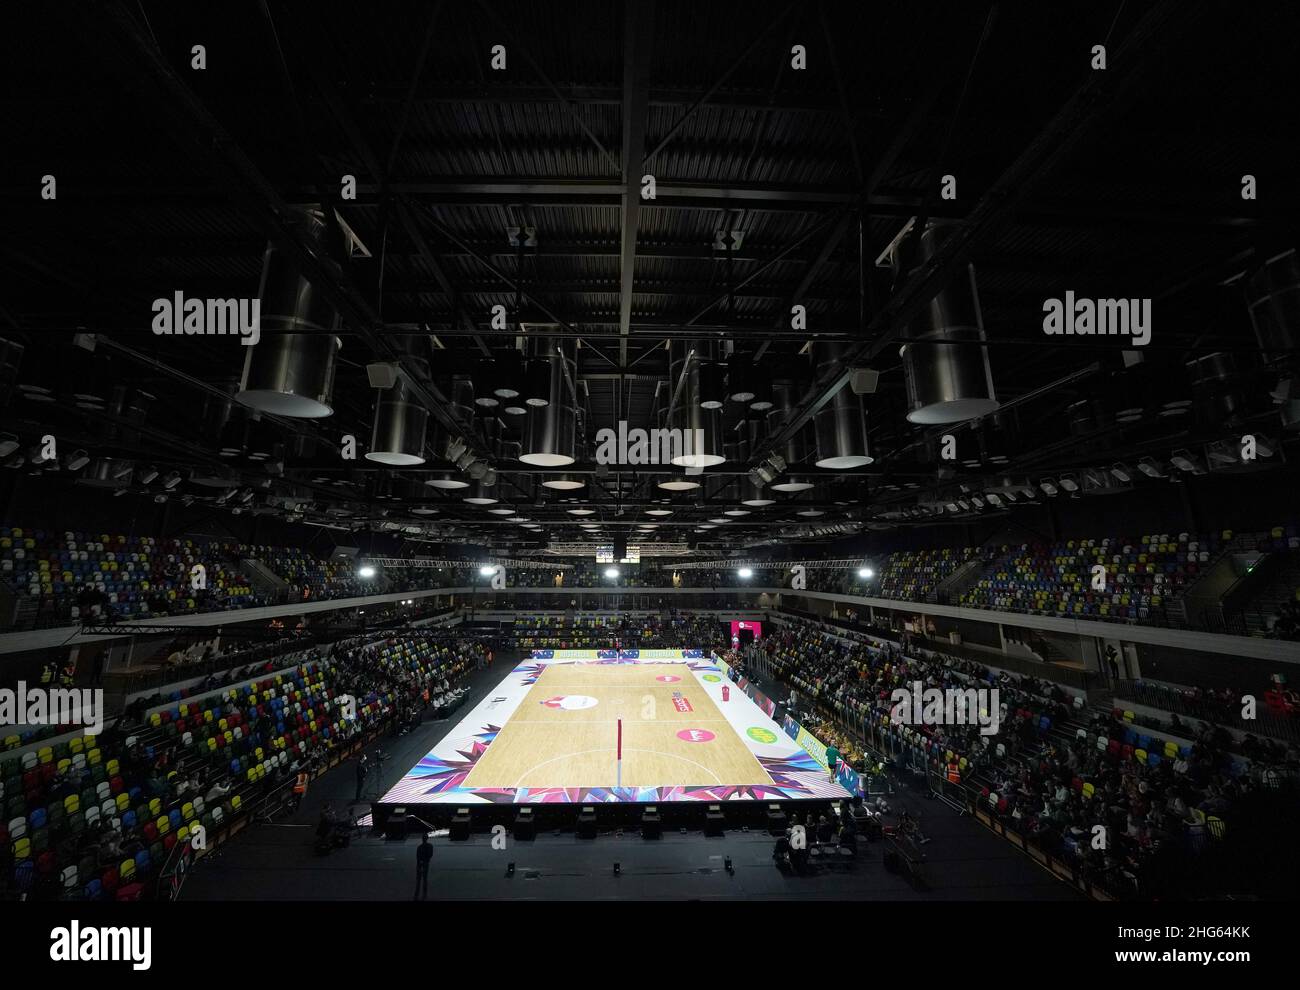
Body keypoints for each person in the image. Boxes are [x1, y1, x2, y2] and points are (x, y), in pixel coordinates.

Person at [414, 833, 432, 900]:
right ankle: (424, 893)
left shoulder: (419, 847)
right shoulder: (430, 846)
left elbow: (418, 857)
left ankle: (417, 894)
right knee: (425, 879)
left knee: (419, 880)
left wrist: (420, 864)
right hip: (425, 864)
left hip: (420, 865)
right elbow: (430, 855)